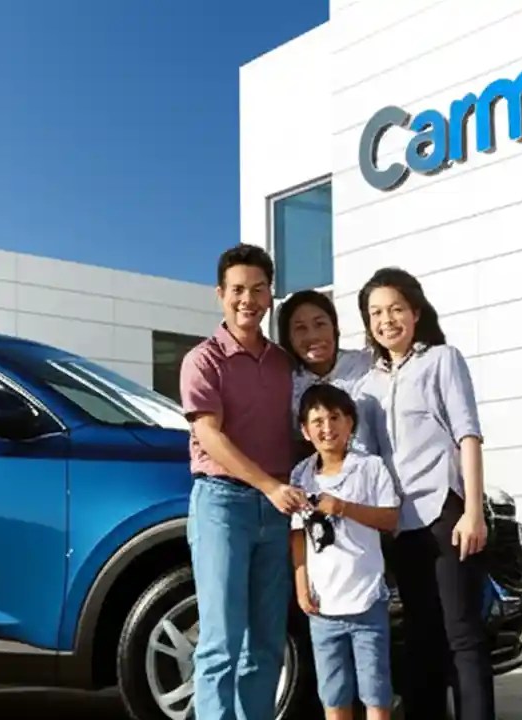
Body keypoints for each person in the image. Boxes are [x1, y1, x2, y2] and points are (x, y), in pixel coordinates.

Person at [354, 267, 495, 720]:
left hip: (445, 514)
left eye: (395, 309)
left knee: (462, 635)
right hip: (401, 526)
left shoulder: (442, 360)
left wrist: (473, 512)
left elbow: (468, 435)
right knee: (420, 637)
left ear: (415, 312)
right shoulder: (368, 386)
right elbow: (367, 459)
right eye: (376, 313)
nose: (386, 320)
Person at [179, 243, 311, 720]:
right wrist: (268, 486)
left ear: (270, 295)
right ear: (220, 294)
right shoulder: (203, 360)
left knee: (266, 644)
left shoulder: (283, 363)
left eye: (258, 289)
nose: (247, 300)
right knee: (221, 643)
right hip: (222, 505)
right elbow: (209, 436)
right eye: (237, 289)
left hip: (276, 512)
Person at [289, 383, 401, 720]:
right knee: (333, 694)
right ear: (305, 430)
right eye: (317, 421)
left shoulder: (371, 467)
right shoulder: (301, 475)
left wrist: (343, 508)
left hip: (367, 602)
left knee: (375, 693)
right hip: (323, 608)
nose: (327, 427)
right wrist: (301, 588)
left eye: (335, 417)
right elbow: (298, 537)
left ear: (350, 422)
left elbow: (390, 518)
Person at [276, 289, 375, 457]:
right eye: (300, 328)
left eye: (320, 324)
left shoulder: (366, 364)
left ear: (335, 328)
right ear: (288, 338)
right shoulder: (287, 386)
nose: (313, 336)